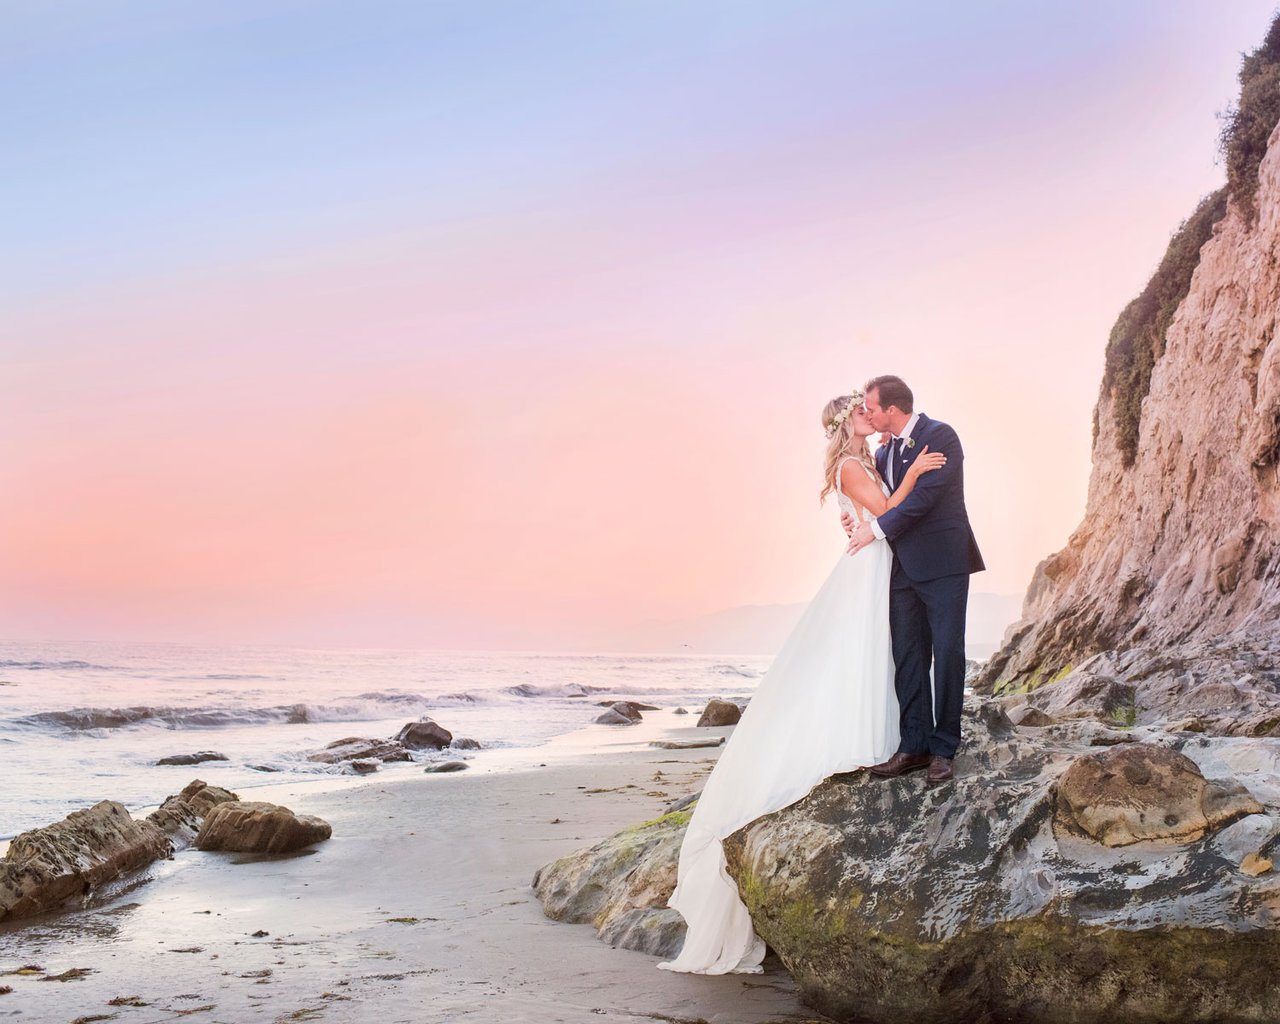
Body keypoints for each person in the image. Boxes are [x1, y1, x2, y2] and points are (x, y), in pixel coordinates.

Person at [656, 389, 945, 975]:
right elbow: (889, 507)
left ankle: (893, 733)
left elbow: (876, 513)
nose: (870, 414)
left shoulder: (864, 459)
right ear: (848, 421)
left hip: (879, 561)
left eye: (870, 407)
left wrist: (873, 505)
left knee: (878, 653)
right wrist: (914, 473)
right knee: (860, 651)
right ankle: (862, 739)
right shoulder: (852, 465)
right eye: (861, 410)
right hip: (870, 565)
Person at [844, 375, 985, 785]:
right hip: (901, 566)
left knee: (947, 652)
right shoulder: (883, 451)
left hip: (943, 564)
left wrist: (875, 530)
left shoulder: (940, 436)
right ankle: (914, 744)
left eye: (871, 408)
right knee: (907, 655)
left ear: (892, 409)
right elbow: (883, 501)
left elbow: (924, 499)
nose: (867, 413)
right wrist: (857, 520)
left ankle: (943, 748)